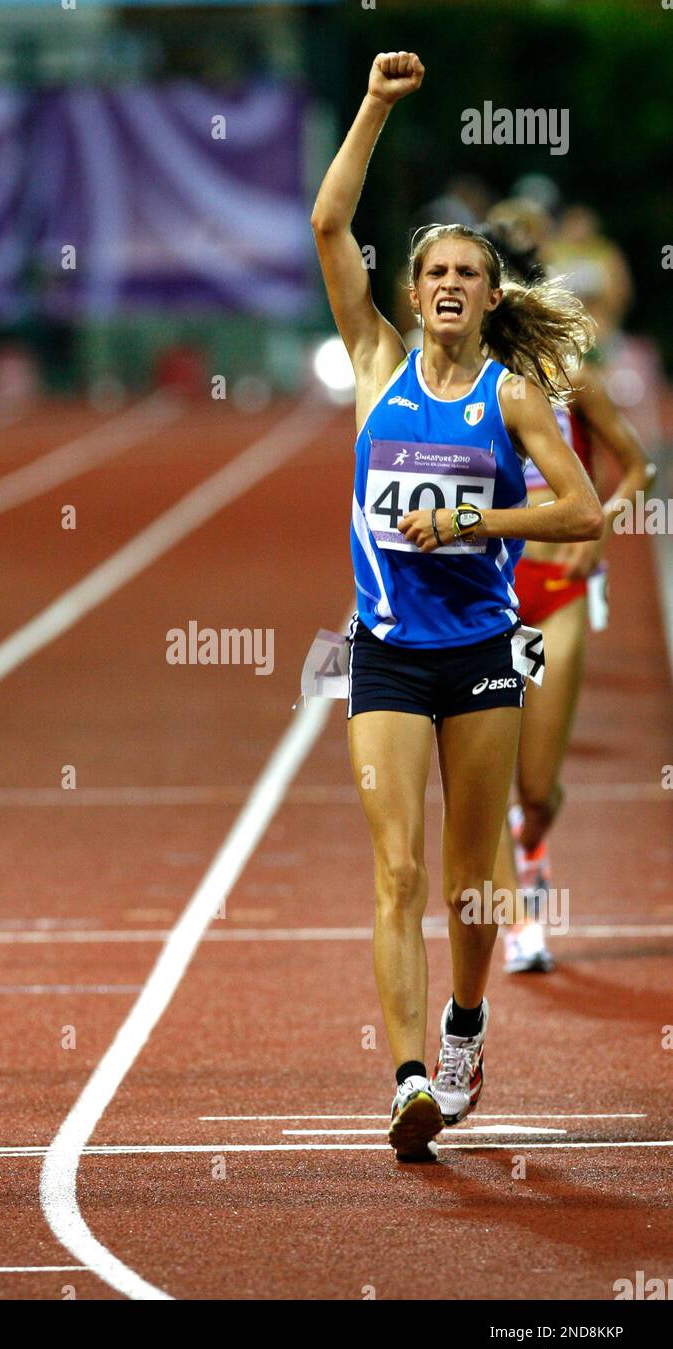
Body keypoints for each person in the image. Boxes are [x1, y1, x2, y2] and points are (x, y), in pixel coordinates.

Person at [310, 51, 604, 1160]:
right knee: (397, 871)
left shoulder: (511, 394)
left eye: (461, 274)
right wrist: (376, 106)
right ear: (412, 288)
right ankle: (407, 1081)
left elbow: (578, 512)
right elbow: (329, 224)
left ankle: (467, 1022)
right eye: (428, 268)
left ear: (487, 296)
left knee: (473, 885)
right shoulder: (374, 361)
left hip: (481, 649)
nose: (441, 283)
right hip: (384, 652)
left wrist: (472, 524)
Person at [481, 219, 654, 973]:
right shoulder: (453, 385)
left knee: (536, 784)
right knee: (483, 776)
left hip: (556, 586)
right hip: (482, 593)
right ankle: (521, 919)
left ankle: (534, 842)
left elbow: (637, 469)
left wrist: (597, 529)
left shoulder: (566, 372)